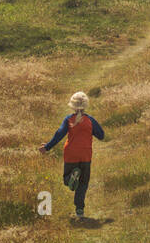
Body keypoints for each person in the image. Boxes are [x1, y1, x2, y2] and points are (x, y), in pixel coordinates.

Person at [37, 91, 105, 220]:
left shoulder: (68, 119)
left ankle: (71, 178)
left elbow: (59, 134)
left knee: (66, 180)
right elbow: (101, 136)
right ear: (85, 105)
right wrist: (90, 131)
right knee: (83, 183)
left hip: (71, 154)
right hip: (85, 155)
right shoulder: (90, 120)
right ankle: (79, 209)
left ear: (72, 105)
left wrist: (47, 147)